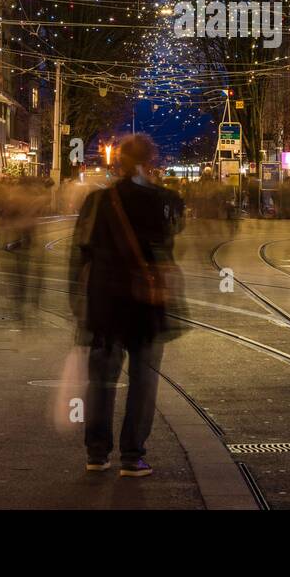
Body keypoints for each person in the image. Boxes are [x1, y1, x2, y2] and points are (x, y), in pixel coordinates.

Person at [70, 133, 180, 478]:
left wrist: (78, 304)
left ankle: (96, 452)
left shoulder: (98, 201)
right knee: (143, 381)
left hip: (104, 302)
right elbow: (167, 245)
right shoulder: (163, 199)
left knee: (101, 380)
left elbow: (81, 252)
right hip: (144, 306)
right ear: (151, 161)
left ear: (117, 161)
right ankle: (132, 456)